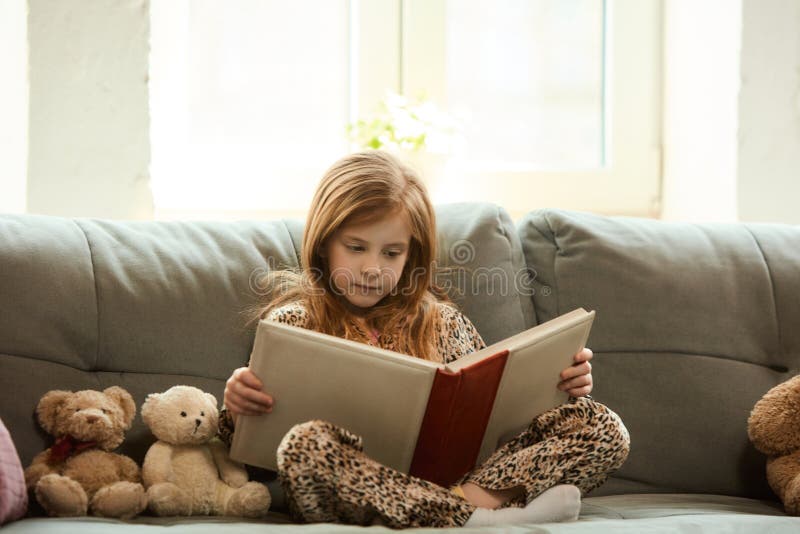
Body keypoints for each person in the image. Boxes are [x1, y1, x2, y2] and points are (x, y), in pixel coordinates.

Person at [218, 150, 630, 528]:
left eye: (391, 253)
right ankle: (481, 518)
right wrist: (237, 410)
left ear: (411, 254)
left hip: (461, 475)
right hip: (360, 484)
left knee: (602, 425)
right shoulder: (293, 324)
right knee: (304, 447)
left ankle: (464, 505)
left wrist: (560, 389)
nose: (372, 268)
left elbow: (491, 416)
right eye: (356, 247)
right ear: (324, 244)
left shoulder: (443, 323)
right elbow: (253, 463)